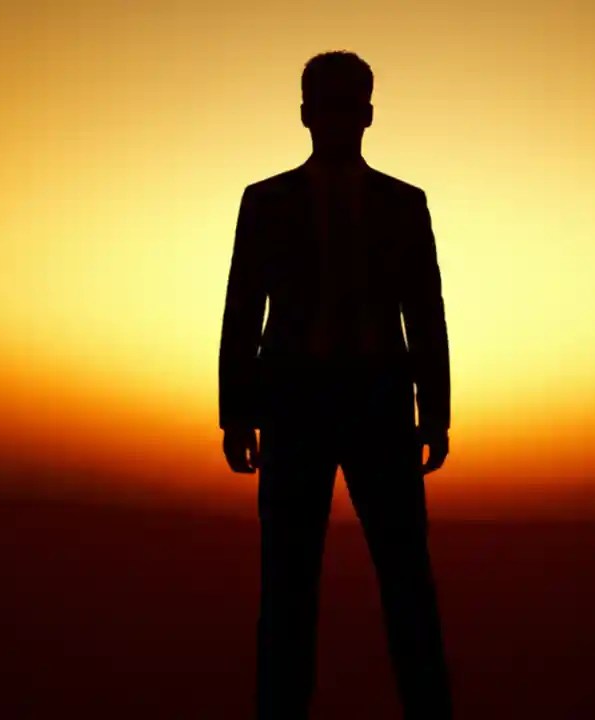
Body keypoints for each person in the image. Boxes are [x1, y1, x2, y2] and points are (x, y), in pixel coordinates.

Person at [218, 51, 453, 719]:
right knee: (289, 584)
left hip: (377, 406)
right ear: (307, 115)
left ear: (367, 115)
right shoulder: (265, 202)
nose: (340, 119)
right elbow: (243, 309)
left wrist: (433, 415)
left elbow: (424, 311)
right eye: (332, 105)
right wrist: (237, 413)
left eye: (347, 105)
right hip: (297, 406)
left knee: (406, 579)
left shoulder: (405, 204)